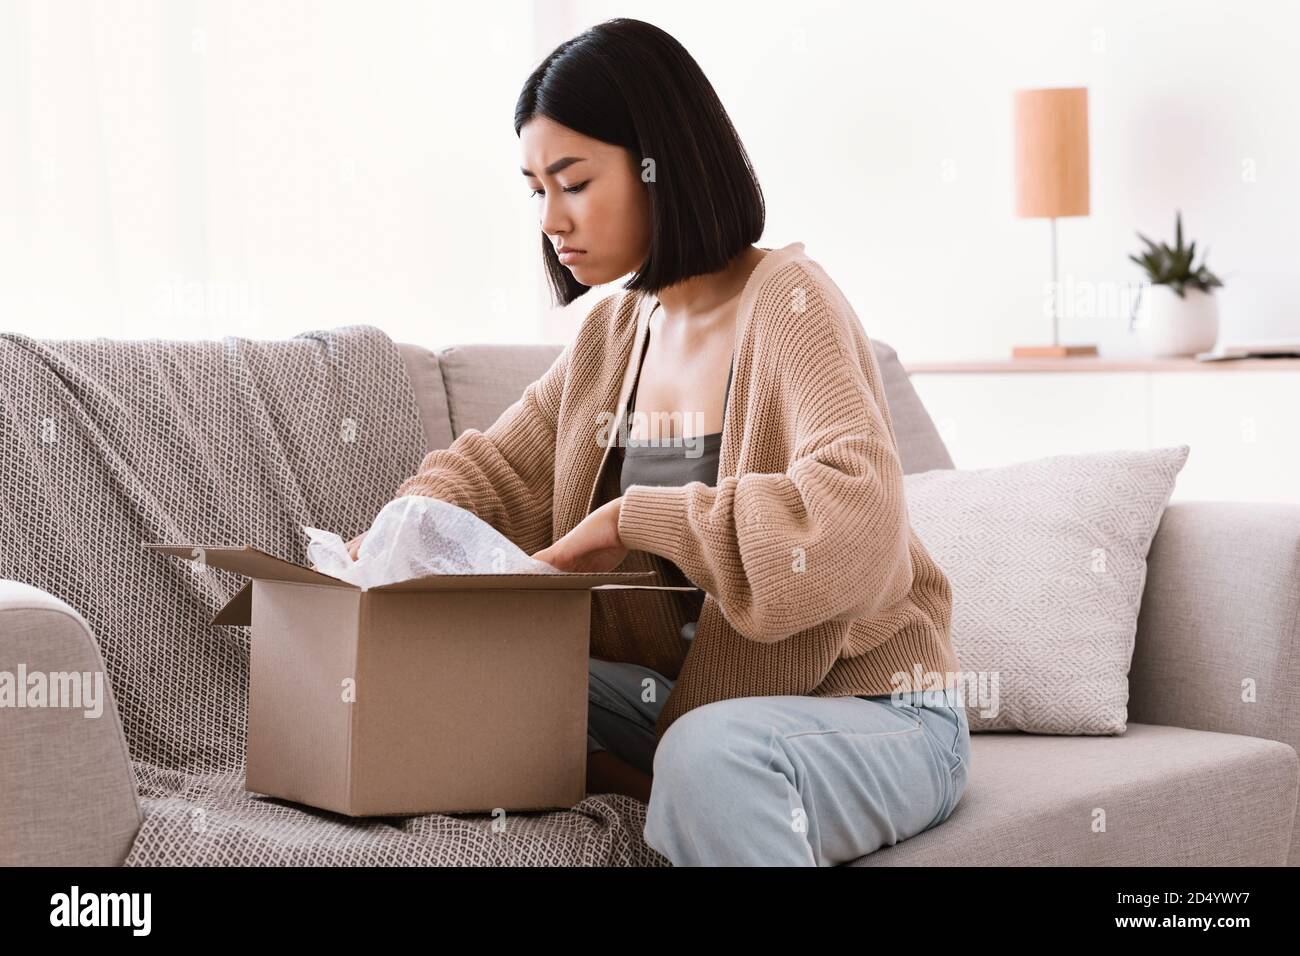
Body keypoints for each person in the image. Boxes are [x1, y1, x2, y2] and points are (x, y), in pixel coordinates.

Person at [348, 17, 970, 867]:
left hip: (875, 711)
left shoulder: (791, 304)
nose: (550, 220)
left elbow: (855, 527)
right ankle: (642, 789)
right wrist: (393, 537)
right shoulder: (614, 332)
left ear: (659, 163)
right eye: (536, 189)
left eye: (573, 182)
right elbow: (494, 472)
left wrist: (631, 520)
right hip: (693, 701)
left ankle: (663, 784)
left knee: (710, 755)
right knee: (445, 682)